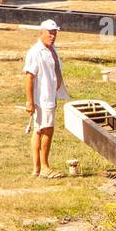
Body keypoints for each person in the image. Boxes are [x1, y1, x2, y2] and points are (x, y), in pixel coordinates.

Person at [23, 19, 70, 178]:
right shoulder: (35, 52)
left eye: (55, 33)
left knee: (40, 130)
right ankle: (44, 167)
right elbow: (29, 77)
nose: (53, 36)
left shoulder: (51, 49)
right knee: (46, 131)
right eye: (50, 33)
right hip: (42, 97)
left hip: (50, 95)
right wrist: (29, 102)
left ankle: (37, 169)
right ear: (41, 33)